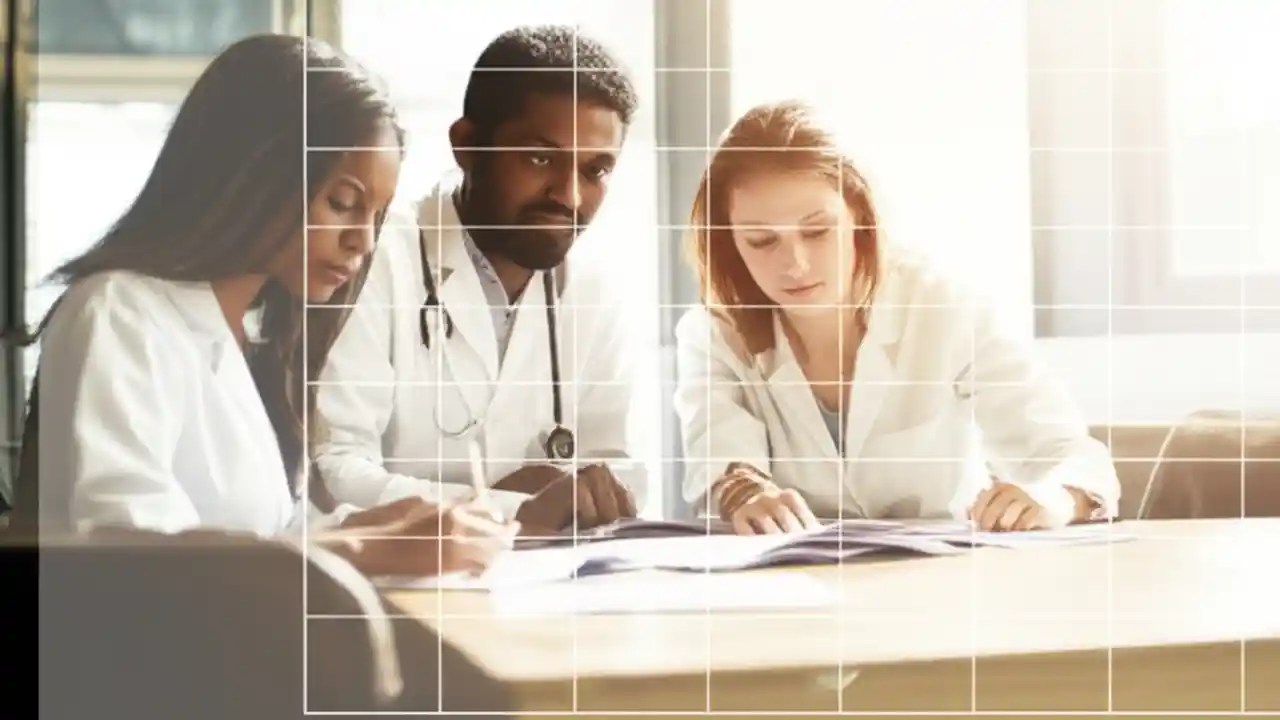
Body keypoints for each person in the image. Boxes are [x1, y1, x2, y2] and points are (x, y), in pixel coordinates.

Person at [16, 34, 516, 576]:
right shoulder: (118, 313)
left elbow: (266, 538)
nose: (363, 243)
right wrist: (368, 549)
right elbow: (136, 554)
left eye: (375, 215)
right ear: (255, 173)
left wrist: (378, 525)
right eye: (343, 203)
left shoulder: (244, 337)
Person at [675, 100, 1121, 534]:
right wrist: (746, 494)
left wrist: (1055, 499)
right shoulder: (714, 332)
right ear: (728, 241)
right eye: (760, 240)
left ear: (859, 218)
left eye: (817, 231)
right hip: (789, 586)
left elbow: (1069, 452)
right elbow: (718, 457)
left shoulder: (943, 307)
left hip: (937, 588)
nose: (795, 263)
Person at [316, 25, 643, 535]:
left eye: (595, 171)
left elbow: (618, 472)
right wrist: (507, 508)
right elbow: (335, 468)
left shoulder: (594, 291)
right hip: (400, 585)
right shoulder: (373, 259)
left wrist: (590, 495)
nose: (570, 196)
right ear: (466, 146)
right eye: (540, 158)